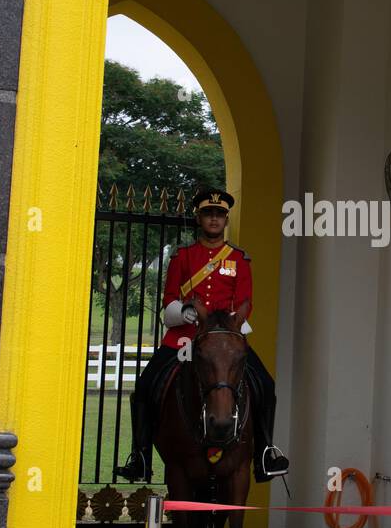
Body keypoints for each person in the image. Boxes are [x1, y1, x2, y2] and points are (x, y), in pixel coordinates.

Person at [116, 188, 288, 483]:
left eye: (219, 214)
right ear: (199, 218)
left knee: (266, 385)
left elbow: (246, 300)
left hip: (225, 339)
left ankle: (265, 453)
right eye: (208, 213)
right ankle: (140, 456)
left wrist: (230, 324)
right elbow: (170, 296)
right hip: (184, 338)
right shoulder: (183, 257)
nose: (214, 219)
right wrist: (184, 313)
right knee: (145, 387)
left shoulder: (239, 259)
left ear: (225, 220)